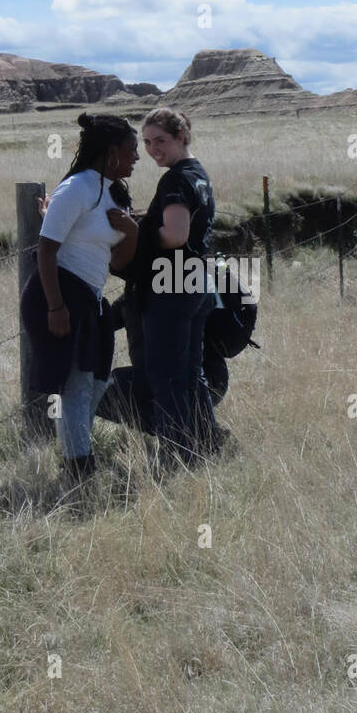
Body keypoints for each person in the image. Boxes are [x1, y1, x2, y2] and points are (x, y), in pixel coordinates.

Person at [19, 112, 139, 490]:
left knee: (97, 383)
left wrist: (132, 233)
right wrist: (56, 307)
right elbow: (46, 250)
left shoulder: (107, 191)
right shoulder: (77, 189)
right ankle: (79, 473)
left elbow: (117, 263)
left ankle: (77, 458)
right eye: (132, 150)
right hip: (60, 296)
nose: (137, 158)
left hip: (91, 299)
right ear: (111, 151)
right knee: (78, 386)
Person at [133, 106, 222, 465]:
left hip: (172, 282)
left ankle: (178, 455)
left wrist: (133, 230)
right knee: (189, 372)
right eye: (147, 142)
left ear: (182, 136)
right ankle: (206, 443)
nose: (153, 149)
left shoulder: (175, 179)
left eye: (161, 141)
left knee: (166, 375)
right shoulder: (197, 173)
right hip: (196, 278)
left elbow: (174, 235)